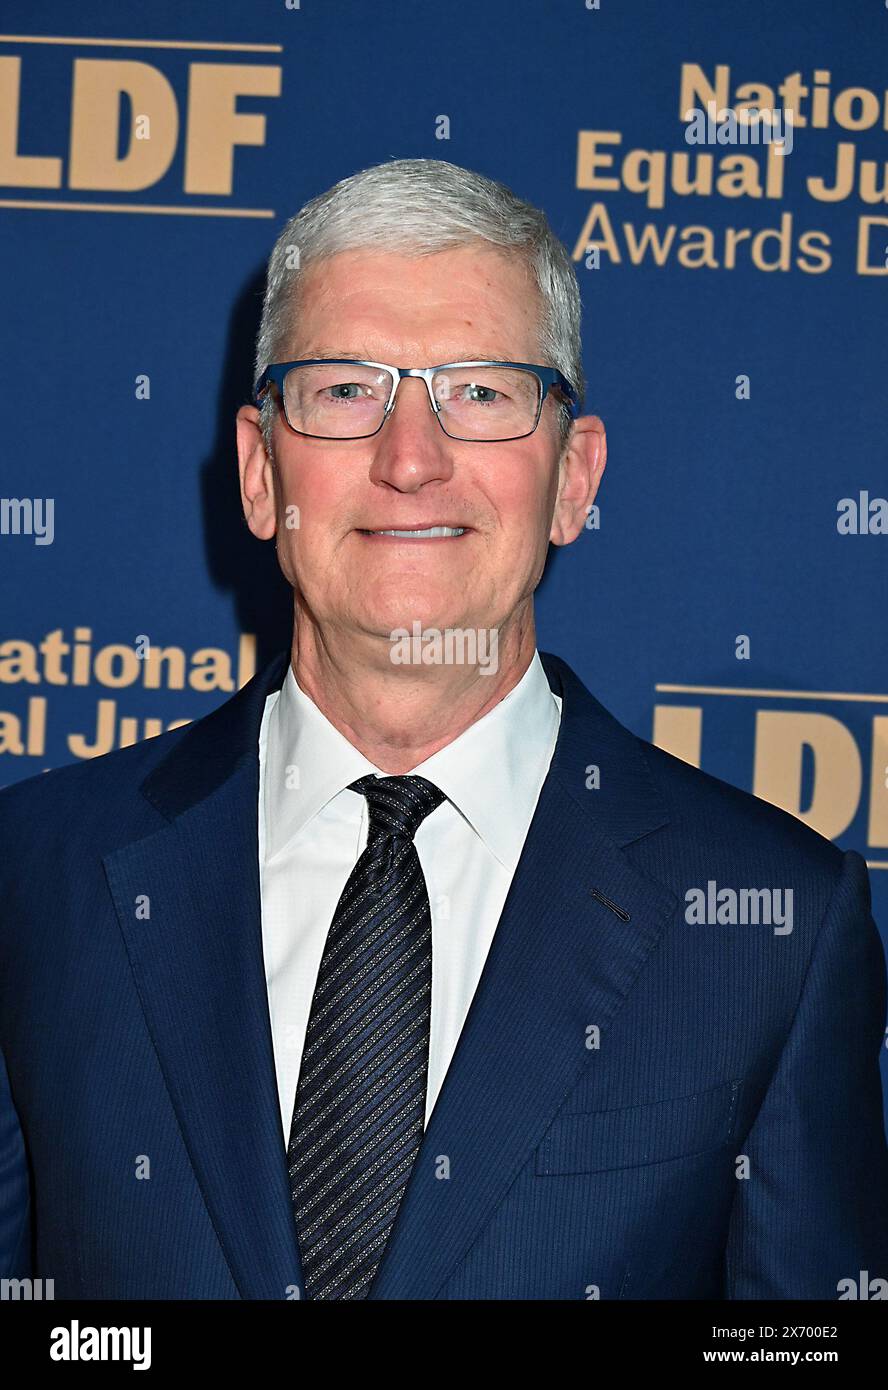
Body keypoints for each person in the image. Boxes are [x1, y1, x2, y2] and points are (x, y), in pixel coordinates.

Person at [1, 158, 886, 1301]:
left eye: (480, 391)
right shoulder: (38, 875)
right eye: (342, 389)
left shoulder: (775, 928)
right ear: (263, 472)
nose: (409, 459)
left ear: (574, 477)